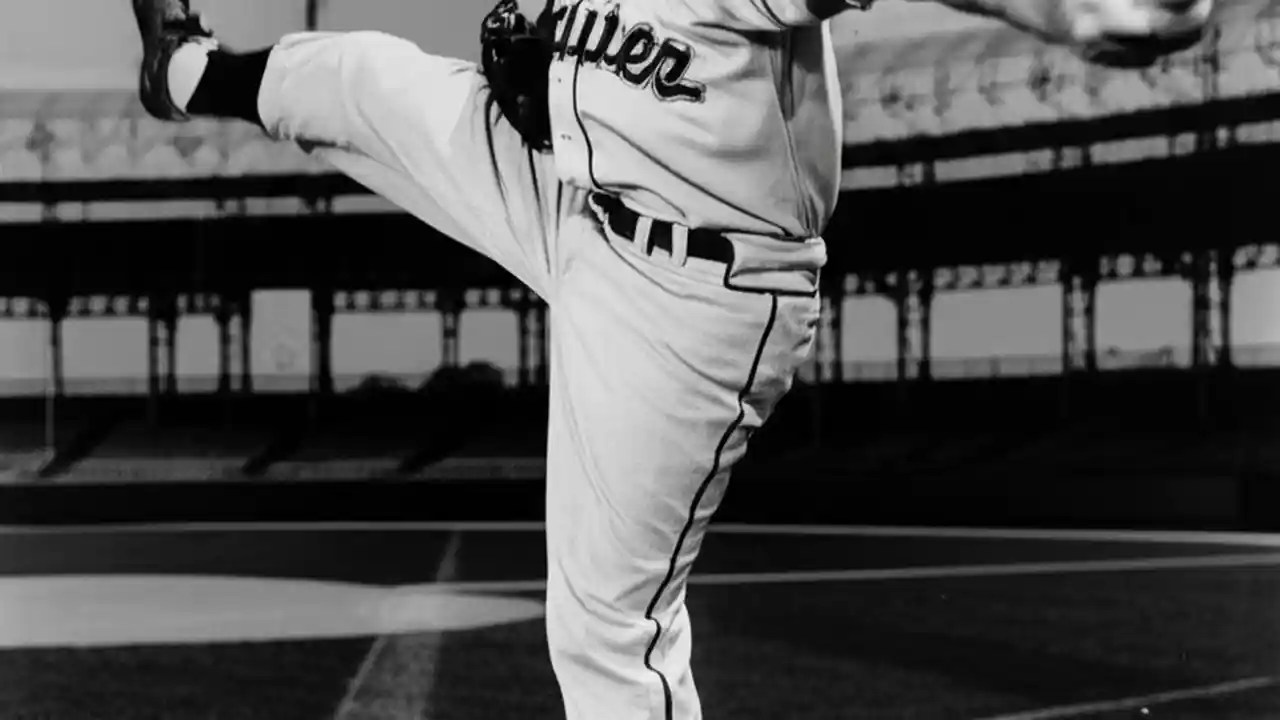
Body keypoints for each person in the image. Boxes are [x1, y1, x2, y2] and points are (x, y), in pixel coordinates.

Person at [128, 0, 1212, 717]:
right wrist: (549, 64)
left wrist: (1080, 7)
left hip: (694, 290)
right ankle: (184, 70)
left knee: (606, 631)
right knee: (361, 77)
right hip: (571, 200)